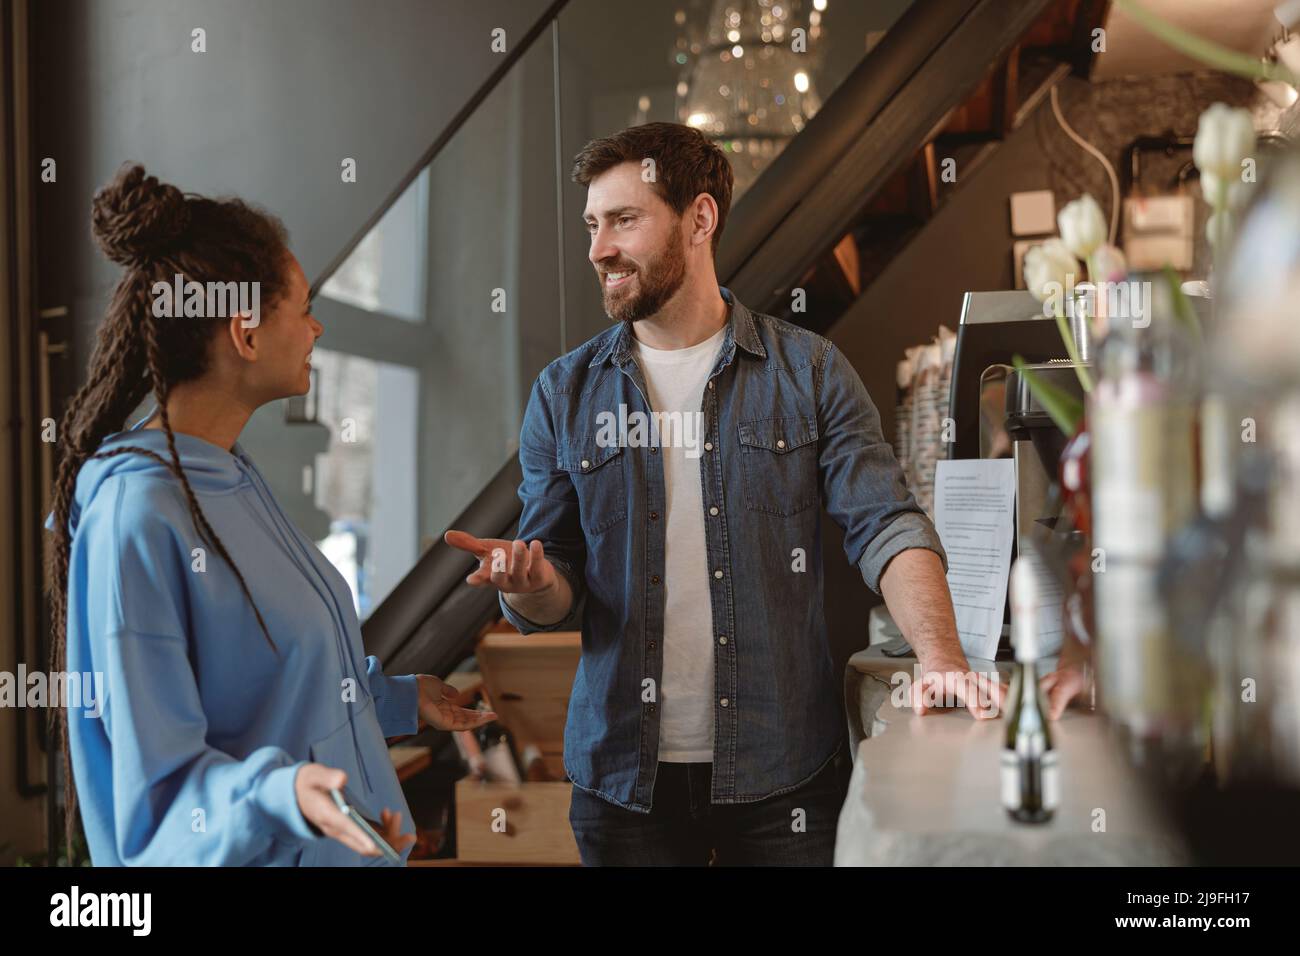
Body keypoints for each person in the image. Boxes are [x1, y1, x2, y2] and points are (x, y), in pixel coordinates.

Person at [446, 122, 1008, 866]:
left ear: (700, 219)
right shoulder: (564, 393)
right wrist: (530, 582)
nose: (598, 249)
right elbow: (558, 588)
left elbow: (886, 525)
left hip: (783, 777)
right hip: (622, 783)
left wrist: (941, 657)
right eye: (592, 224)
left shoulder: (808, 372)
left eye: (624, 220)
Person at [46, 163, 493, 866]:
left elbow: (271, 700)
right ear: (246, 335)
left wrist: (394, 700)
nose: (315, 328)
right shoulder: (136, 516)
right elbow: (155, 808)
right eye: (302, 307)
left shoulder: (230, 474)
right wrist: (278, 797)